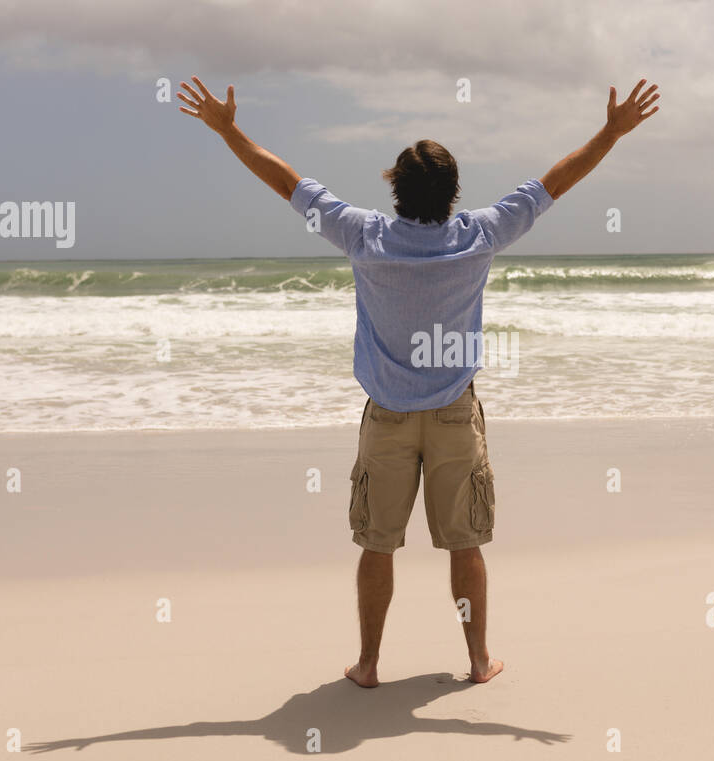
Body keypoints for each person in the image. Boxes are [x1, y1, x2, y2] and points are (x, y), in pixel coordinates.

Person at [178, 75, 660, 687]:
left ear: (395, 190)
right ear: (454, 192)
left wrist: (228, 131)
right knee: (465, 545)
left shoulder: (362, 233)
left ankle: (370, 664)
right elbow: (555, 183)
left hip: (387, 417)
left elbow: (285, 183)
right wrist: (612, 133)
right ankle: (479, 661)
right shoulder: (480, 233)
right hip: (456, 413)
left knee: (377, 545)